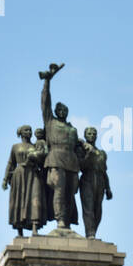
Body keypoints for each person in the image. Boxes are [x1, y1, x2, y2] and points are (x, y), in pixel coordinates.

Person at [38, 63, 81, 230]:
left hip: (72, 162)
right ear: (55, 111)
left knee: (70, 194)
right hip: (55, 160)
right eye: (60, 109)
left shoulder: (72, 129)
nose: (62, 111)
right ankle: (60, 220)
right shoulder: (50, 122)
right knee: (59, 191)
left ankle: (68, 220)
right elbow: (45, 102)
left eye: (65, 109)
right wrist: (47, 82)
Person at [3, 125, 48, 235]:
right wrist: (5, 179)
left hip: (33, 173)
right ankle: (20, 230)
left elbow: (42, 159)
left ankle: (35, 227)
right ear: (21, 133)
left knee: (35, 198)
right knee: (19, 200)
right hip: (19, 175)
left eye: (30, 130)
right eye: (26, 130)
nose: (29, 132)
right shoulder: (15, 147)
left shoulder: (35, 145)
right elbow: (10, 163)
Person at [79, 127, 112, 239]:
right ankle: (90, 233)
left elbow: (104, 171)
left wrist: (108, 188)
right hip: (87, 178)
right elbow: (81, 166)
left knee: (98, 210)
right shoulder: (81, 149)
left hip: (100, 180)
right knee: (88, 207)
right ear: (85, 135)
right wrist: (89, 154)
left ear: (97, 136)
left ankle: (93, 231)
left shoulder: (102, 153)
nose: (92, 135)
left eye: (94, 133)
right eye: (89, 133)